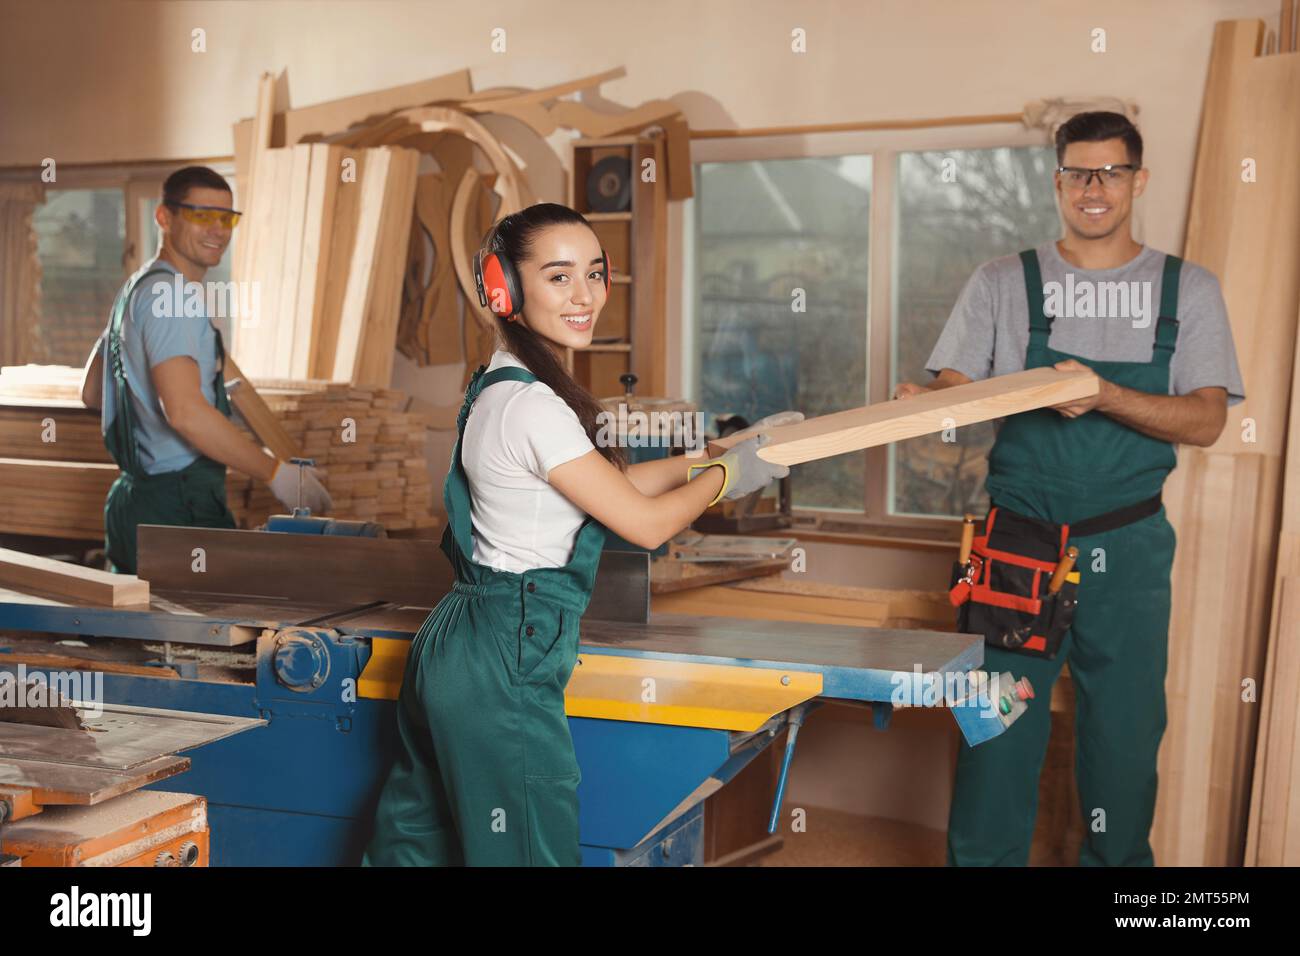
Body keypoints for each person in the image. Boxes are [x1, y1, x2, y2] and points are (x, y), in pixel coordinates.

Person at [364, 202, 797, 866]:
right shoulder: (535, 406)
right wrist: (732, 477)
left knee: (417, 845)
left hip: (459, 643)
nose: (586, 295)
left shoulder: (500, 388)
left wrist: (723, 451)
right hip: (506, 653)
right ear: (505, 287)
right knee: (532, 848)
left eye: (595, 274)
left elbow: (611, 485)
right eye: (559, 276)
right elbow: (644, 524)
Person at [895, 112, 1244, 866]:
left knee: (1122, 745)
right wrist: (931, 402)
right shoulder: (1000, 282)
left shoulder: (1189, 290)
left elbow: (1210, 420)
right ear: (1057, 182)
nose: (1094, 188)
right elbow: (956, 386)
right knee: (998, 741)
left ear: (1137, 181)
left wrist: (1105, 394)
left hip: (1131, 548)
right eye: (1078, 173)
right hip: (1016, 544)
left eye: (1111, 172)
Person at [79, 166, 330, 573]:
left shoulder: (136, 288)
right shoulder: (173, 296)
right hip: (179, 508)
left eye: (226, 217)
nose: (218, 229)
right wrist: (276, 473)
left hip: (134, 501)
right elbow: (185, 412)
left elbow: (92, 393)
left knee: (140, 633)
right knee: (205, 632)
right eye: (201, 215)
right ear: (164, 217)